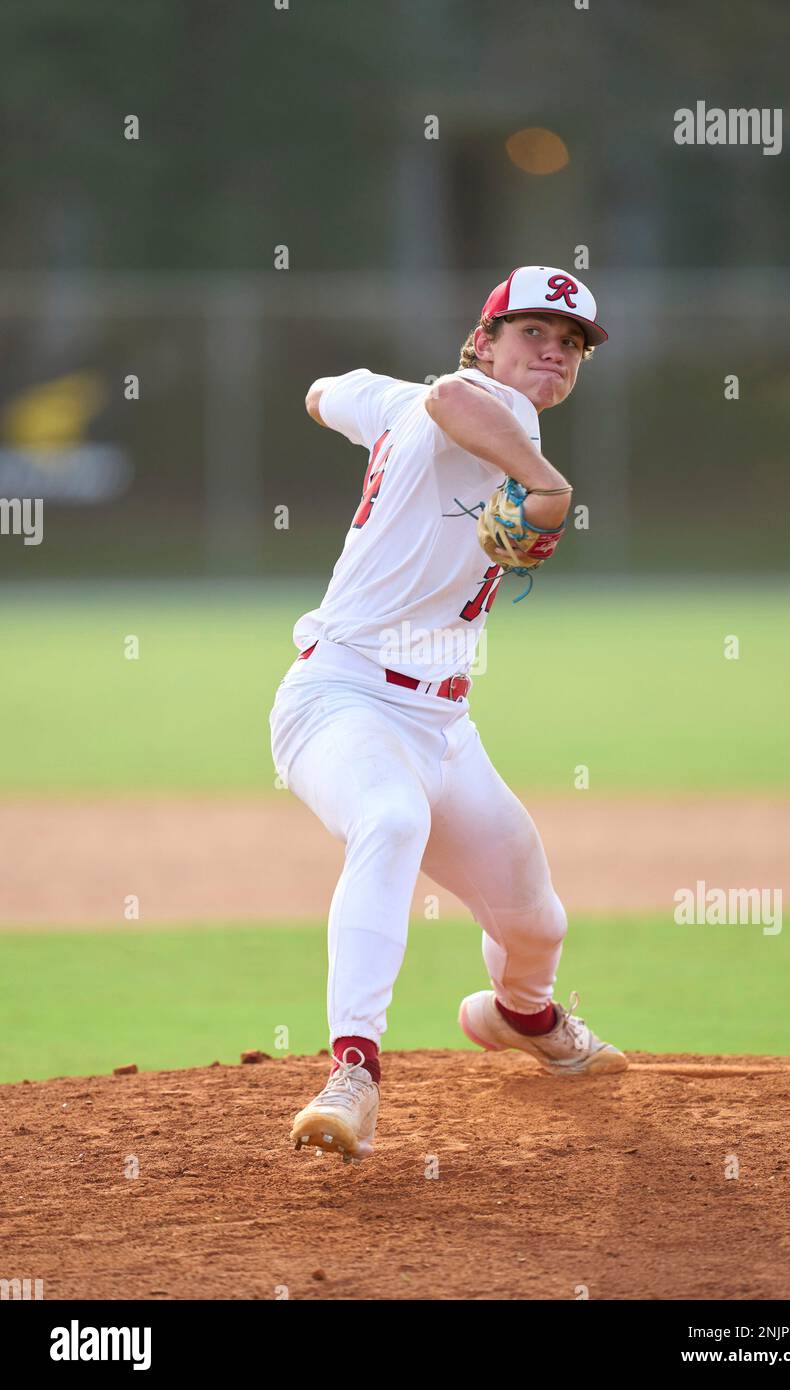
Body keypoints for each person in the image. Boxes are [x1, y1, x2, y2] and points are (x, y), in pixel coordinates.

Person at [269, 265, 627, 1165]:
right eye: (533, 334)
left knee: (536, 923)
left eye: (571, 343)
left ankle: (519, 1016)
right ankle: (353, 1072)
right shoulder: (465, 396)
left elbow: (324, 393)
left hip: (443, 727)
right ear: (483, 342)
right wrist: (545, 482)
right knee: (389, 819)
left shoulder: (402, 401)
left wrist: (340, 399)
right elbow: (455, 406)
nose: (554, 352)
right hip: (340, 698)